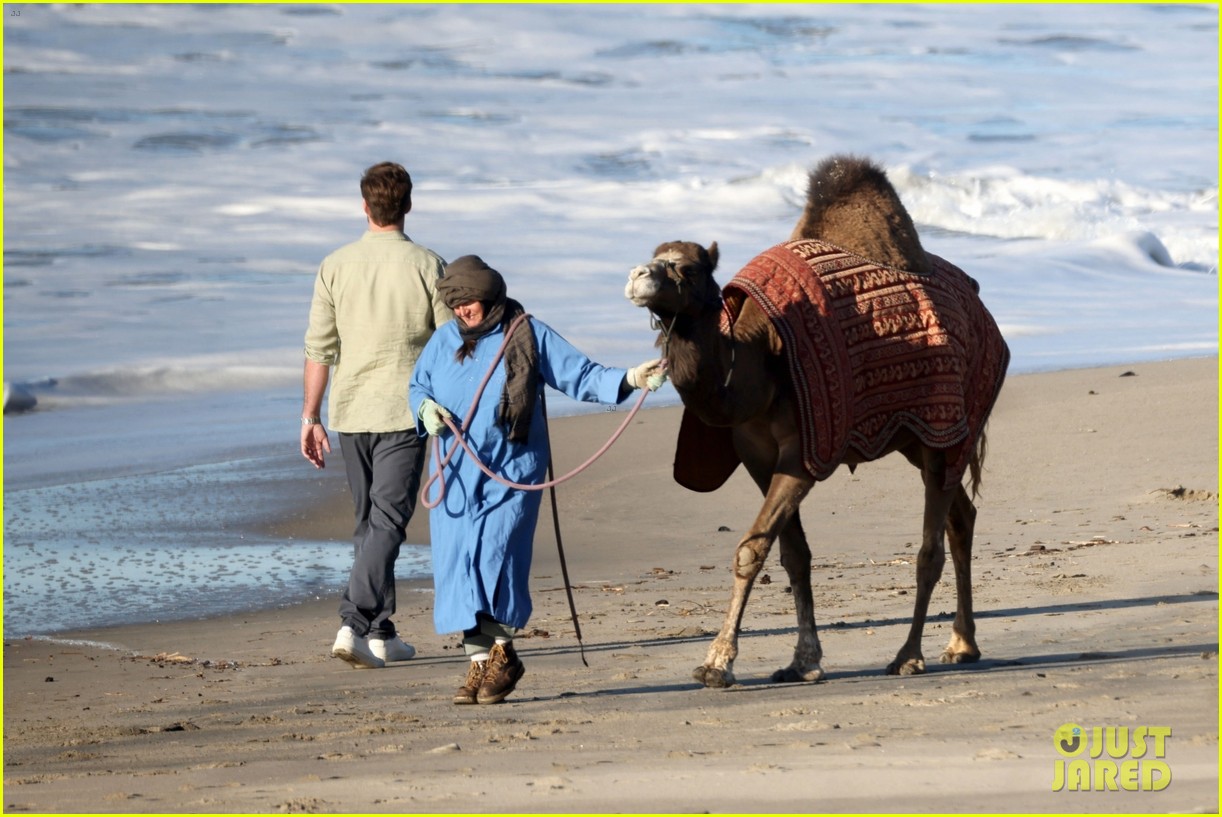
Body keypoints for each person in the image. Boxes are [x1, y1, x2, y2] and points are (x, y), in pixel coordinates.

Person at [409, 255, 666, 705]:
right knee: (459, 568)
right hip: (454, 475)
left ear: (489, 298)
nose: (462, 312)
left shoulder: (527, 332)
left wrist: (630, 378)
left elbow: (581, 375)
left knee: (497, 558)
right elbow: (418, 386)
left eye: (469, 302)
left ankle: (503, 655)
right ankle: (476, 663)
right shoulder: (443, 339)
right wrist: (424, 410)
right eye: (456, 304)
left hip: (512, 472)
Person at [301, 161, 452, 669]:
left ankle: (382, 632)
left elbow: (319, 350)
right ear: (407, 205)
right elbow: (452, 346)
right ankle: (354, 621)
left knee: (371, 523)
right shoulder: (429, 265)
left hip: (349, 410)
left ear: (364, 207)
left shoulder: (335, 265)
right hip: (404, 410)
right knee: (386, 522)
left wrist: (310, 416)